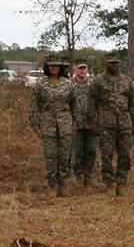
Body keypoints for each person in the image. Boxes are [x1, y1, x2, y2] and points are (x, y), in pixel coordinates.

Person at [88, 54, 134, 195]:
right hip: (106, 125)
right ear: (105, 64)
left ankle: (121, 182)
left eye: (116, 62)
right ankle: (109, 183)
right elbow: (91, 104)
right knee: (106, 155)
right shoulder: (98, 81)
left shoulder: (126, 81)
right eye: (111, 63)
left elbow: (132, 104)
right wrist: (92, 124)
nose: (114, 65)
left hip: (124, 124)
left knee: (125, 155)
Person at [29, 54, 76, 196]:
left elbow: (75, 106)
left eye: (57, 66)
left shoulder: (68, 84)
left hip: (66, 125)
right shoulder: (40, 84)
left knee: (64, 156)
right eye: (51, 65)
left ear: (61, 68)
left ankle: (62, 185)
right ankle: (52, 185)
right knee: (50, 156)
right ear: (47, 67)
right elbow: (33, 107)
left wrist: (76, 124)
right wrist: (36, 126)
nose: (54, 68)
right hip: (47, 125)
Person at [70, 59, 98, 186]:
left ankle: (88, 176)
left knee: (91, 151)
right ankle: (77, 175)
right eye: (80, 68)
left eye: (84, 68)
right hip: (75, 125)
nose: (82, 70)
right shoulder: (69, 85)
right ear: (75, 69)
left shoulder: (93, 84)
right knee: (76, 152)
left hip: (92, 125)